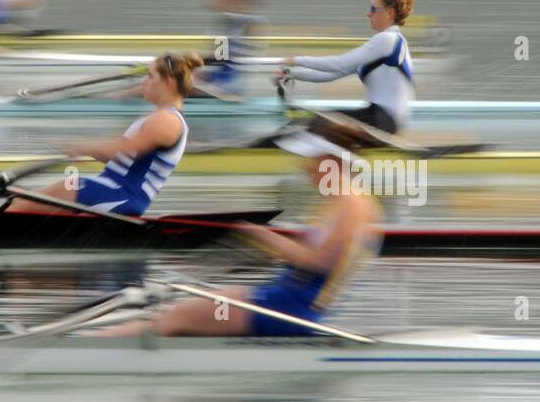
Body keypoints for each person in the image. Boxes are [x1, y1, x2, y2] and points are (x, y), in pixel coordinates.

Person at [87, 129, 383, 338]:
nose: (305, 168)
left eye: (311, 160)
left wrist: (261, 235)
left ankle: (86, 350)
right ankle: (101, 341)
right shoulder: (336, 201)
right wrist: (263, 241)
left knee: (174, 318)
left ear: (330, 161)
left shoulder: (352, 205)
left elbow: (318, 262)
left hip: (295, 308)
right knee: (179, 313)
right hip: (283, 295)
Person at [2, 52, 203, 217]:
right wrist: (84, 150)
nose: (145, 81)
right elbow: (121, 153)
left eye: (150, 76)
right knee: (21, 198)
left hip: (121, 193)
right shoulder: (158, 117)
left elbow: (123, 152)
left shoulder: (167, 121)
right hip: (111, 188)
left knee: (36, 198)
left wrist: (80, 148)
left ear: (167, 82)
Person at [277, 0, 417, 136]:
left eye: (373, 9)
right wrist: (291, 74)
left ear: (389, 13)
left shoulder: (388, 39)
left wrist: (296, 60)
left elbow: (339, 63)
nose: (368, 14)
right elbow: (331, 74)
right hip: (379, 117)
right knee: (313, 121)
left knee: (314, 123)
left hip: (384, 119)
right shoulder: (383, 43)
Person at [195, 0, 268, 97]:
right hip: (224, 80)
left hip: (229, 87)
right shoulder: (230, 22)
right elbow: (220, 58)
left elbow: (222, 59)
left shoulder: (244, 23)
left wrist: (193, 65)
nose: (217, 1)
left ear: (236, 1)